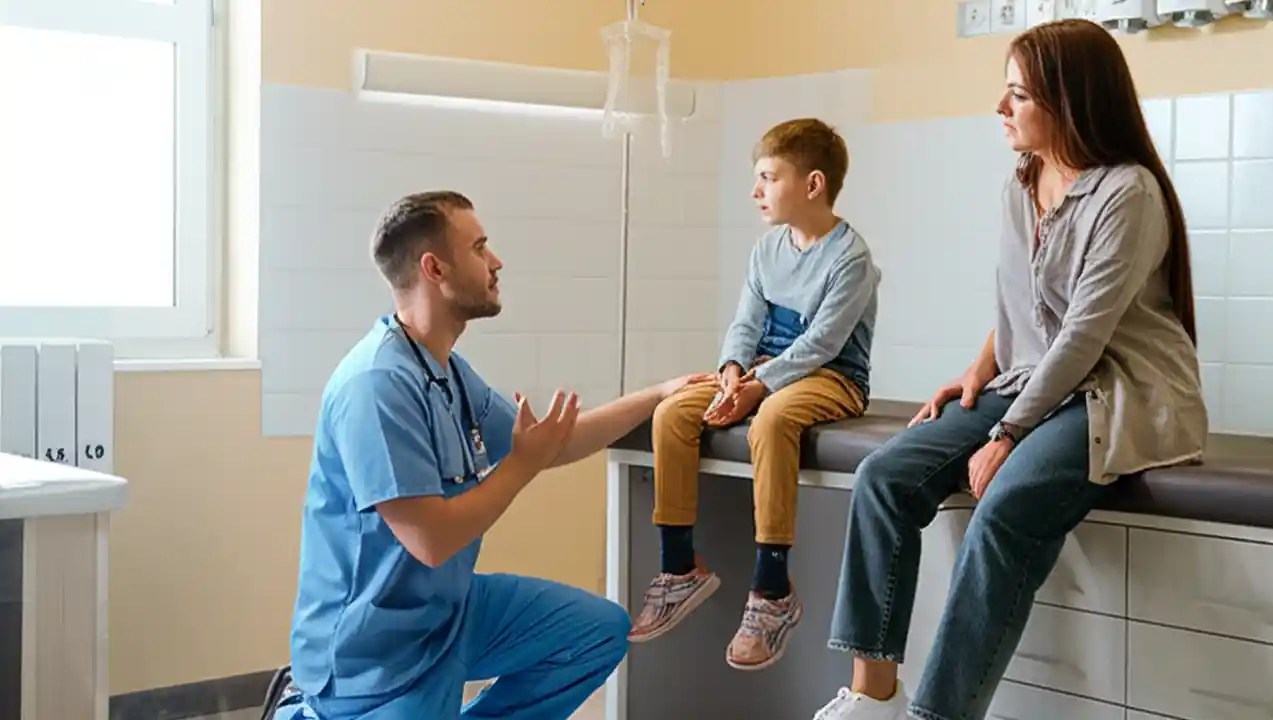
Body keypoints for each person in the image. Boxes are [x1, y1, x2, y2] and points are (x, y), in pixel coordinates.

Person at [812, 19, 1207, 720]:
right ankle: (873, 697)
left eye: (1018, 95)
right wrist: (978, 370)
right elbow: (1026, 304)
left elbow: (1084, 333)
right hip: (1034, 381)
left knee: (1003, 510)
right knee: (883, 476)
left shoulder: (1128, 192)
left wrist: (1007, 432)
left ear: (1070, 100)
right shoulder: (1022, 182)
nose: (1001, 108)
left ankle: (940, 715)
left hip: (1114, 393)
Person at [276, 190, 707, 720]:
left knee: (597, 631)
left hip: (446, 614)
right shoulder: (376, 385)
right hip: (372, 654)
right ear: (434, 268)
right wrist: (521, 465)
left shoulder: (445, 373)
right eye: (479, 248)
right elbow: (432, 541)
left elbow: (556, 442)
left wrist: (661, 394)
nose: (496, 261)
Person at [627, 118, 882, 672]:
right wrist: (731, 372)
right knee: (673, 413)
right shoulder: (767, 250)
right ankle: (679, 566)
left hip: (831, 376)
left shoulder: (850, 258)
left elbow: (823, 343)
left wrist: (759, 389)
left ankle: (772, 589)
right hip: (761, 371)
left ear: (812, 184)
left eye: (768, 177)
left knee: (772, 421)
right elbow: (746, 322)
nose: (756, 191)